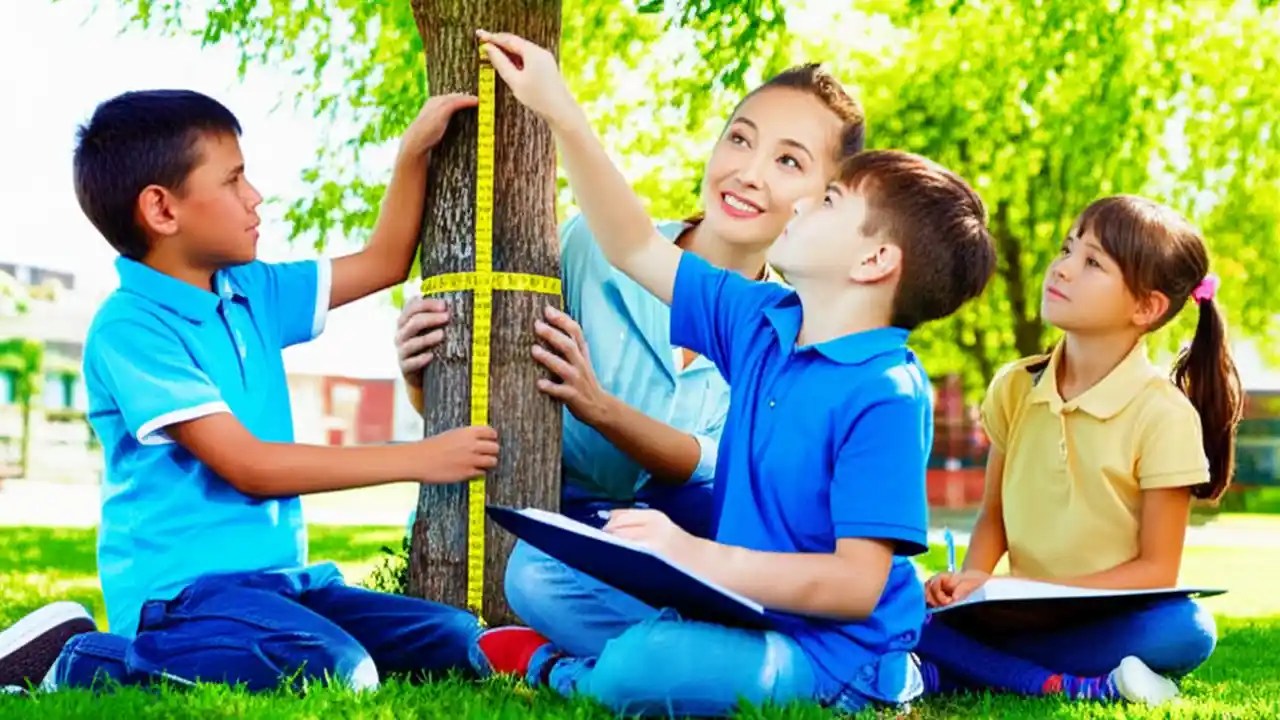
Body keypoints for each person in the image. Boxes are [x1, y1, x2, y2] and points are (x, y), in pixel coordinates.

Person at [466, 30, 997, 716]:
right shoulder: (760, 321)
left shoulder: (886, 395)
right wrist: (561, 110)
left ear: (874, 264)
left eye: (830, 199)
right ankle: (686, 651)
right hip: (745, 607)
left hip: (830, 654)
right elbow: (631, 245)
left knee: (646, 664)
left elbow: (855, 587)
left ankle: (558, 669)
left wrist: (690, 556)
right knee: (536, 574)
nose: (802, 204)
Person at [0, 88, 521, 694]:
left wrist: (412, 155)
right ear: (162, 210)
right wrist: (419, 460)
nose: (256, 197)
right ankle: (83, 658)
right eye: (234, 180)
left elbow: (384, 261)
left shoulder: (253, 292)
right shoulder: (131, 327)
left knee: (457, 638)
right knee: (340, 672)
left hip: (283, 585)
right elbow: (248, 466)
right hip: (182, 600)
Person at [397, 57, 866, 655]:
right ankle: (708, 652)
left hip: (687, 536)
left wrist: (601, 408)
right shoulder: (592, 248)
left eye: (787, 161)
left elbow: (717, 469)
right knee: (537, 574)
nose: (748, 172)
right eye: (740, 139)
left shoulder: (791, 331)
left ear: (825, 199)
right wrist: (424, 381)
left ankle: (672, 651)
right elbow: (491, 392)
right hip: (565, 528)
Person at [915, 195, 1242, 705]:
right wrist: (973, 581)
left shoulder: (1165, 415)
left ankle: (966, 672)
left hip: (1107, 618)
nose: (1062, 269)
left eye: (1092, 262)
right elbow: (994, 515)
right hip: (1012, 614)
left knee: (1187, 630)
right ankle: (1073, 682)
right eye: (1067, 249)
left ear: (1146, 307)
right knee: (894, 597)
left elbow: (1157, 570)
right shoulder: (1015, 387)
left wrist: (1051, 597)